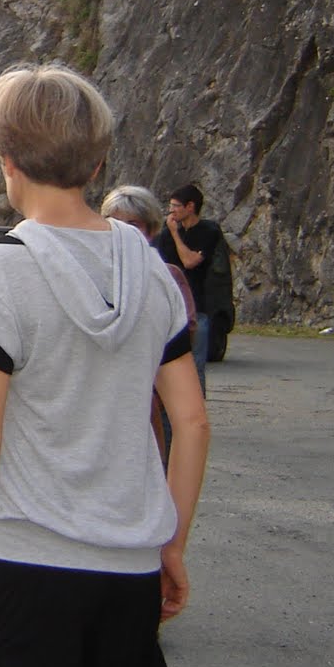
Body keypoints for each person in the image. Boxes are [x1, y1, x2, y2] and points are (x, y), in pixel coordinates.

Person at [0, 63, 209, 667]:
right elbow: (193, 423)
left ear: (8, 159)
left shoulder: (3, 269)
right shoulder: (151, 269)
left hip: (27, 567)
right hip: (130, 573)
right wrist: (169, 543)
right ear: (97, 159)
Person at [101, 184, 197, 465]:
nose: (124, 231)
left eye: (134, 224)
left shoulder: (167, 276)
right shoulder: (88, 271)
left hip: (150, 392)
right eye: (116, 223)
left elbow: (186, 331)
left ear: (150, 230)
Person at [155, 183, 232, 388]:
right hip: (170, 306)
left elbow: (190, 261)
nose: (171, 211)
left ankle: (196, 405)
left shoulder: (208, 231)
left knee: (196, 363)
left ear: (190, 207)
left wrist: (175, 234)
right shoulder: (164, 235)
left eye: (176, 206)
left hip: (198, 306)